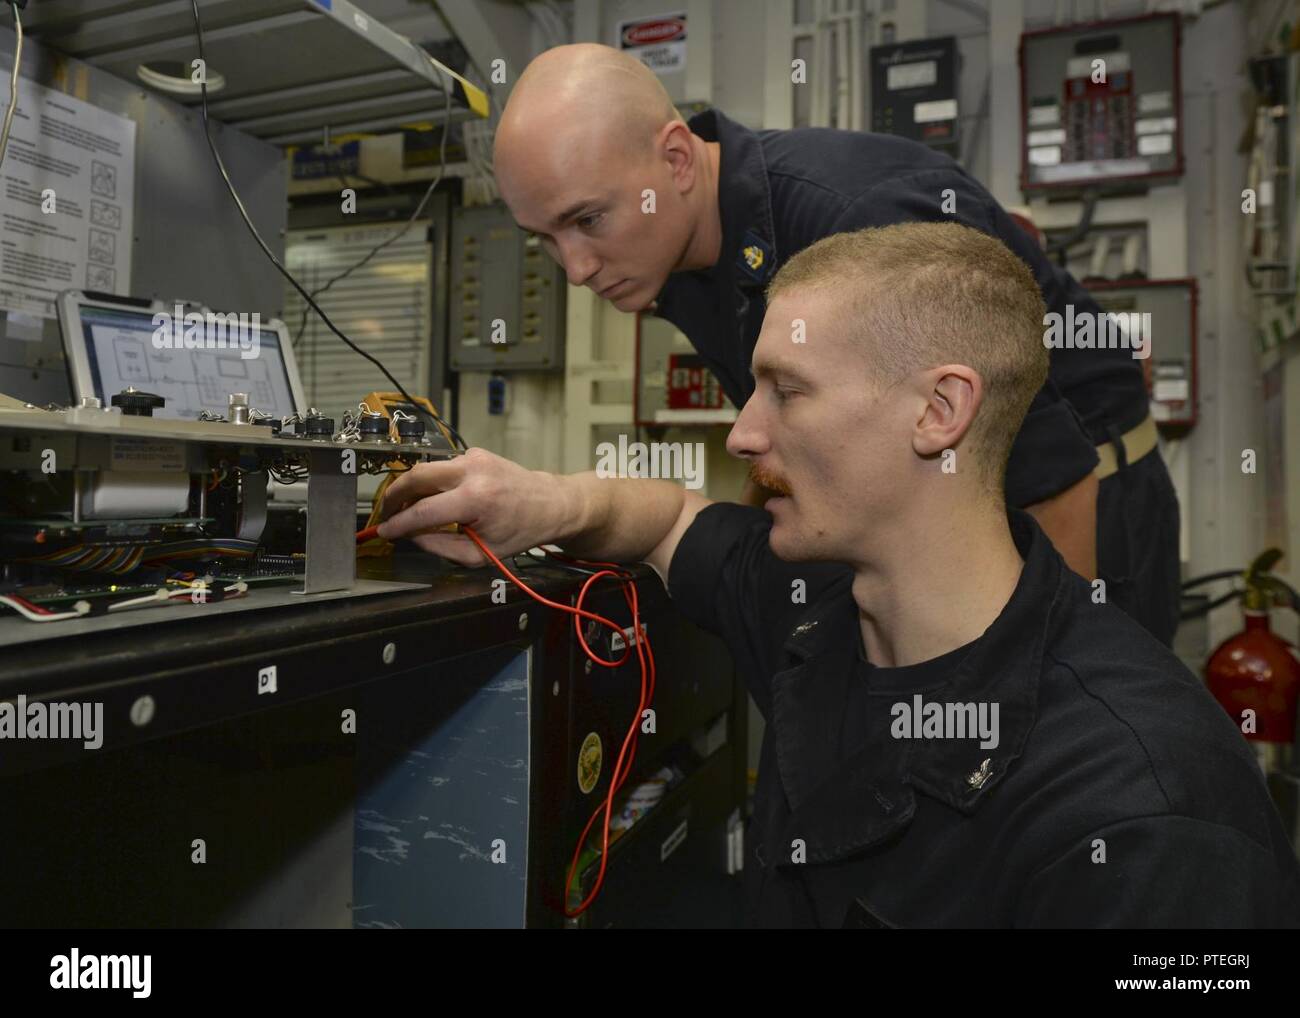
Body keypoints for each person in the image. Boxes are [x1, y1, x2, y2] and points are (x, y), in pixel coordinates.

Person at [378, 222, 1299, 928]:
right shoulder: (818, 608)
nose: (743, 432)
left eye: (788, 389)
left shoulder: (1151, 818)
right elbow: (666, 519)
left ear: (939, 410)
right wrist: (538, 499)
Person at [492, 42, 1180, 645]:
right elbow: (781, 438)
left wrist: (1045, 700)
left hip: (1084, 511)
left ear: (675, 159)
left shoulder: (861, 221)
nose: (575, 269)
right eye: (547, 239)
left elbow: (1048, 473)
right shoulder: (682, 261)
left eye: (588, 220)